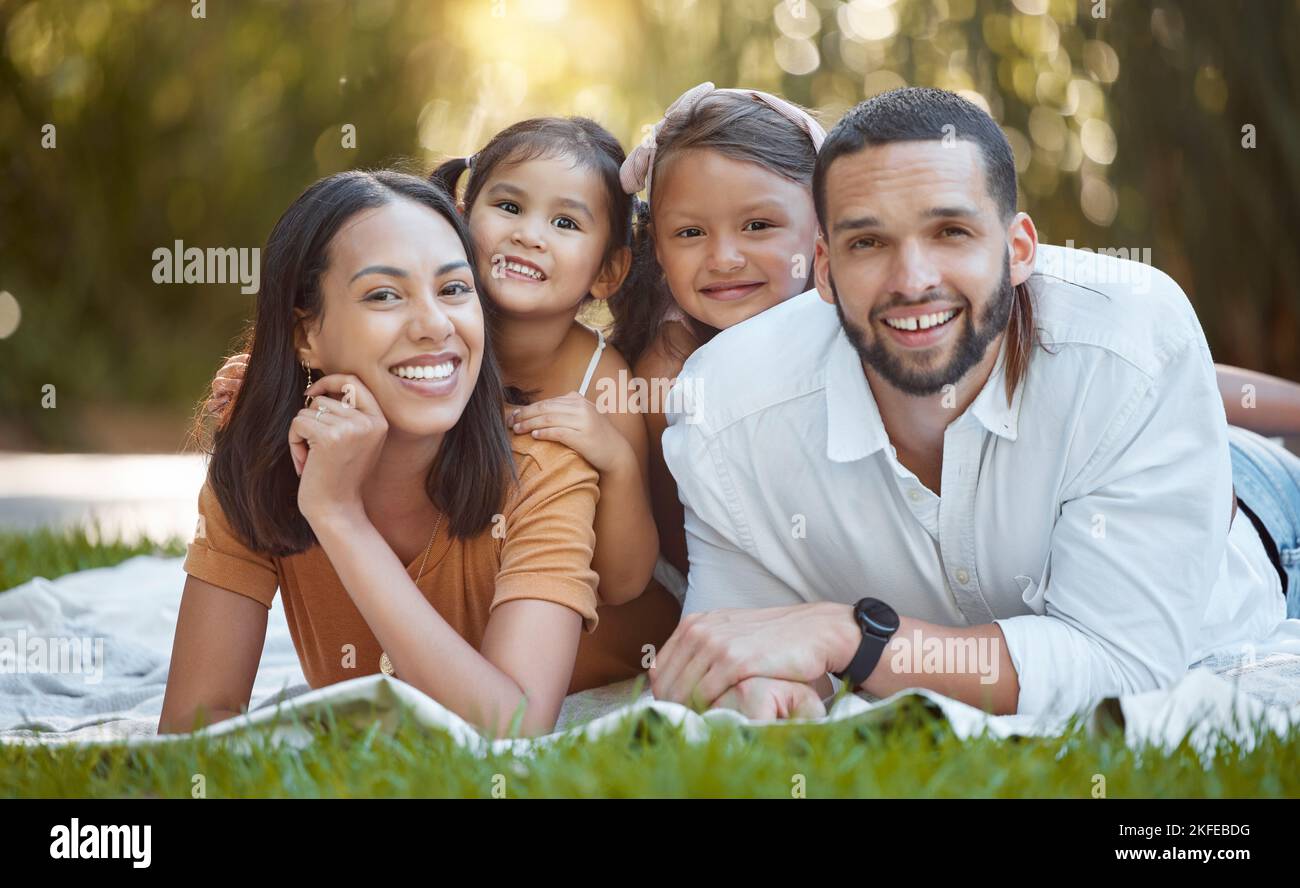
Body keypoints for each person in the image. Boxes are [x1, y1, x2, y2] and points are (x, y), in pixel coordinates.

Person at [651, 86, 1299, 722]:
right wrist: (764, 687)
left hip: (1261, 513)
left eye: (951, 231)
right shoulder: (726, 412)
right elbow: (738, 650)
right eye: (868, 243)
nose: (913, 280)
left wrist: (853, 636)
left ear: (1019, 250)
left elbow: (1118, 664)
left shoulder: (1128, 334)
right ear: (823, 267)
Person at [161, 170, 603, 738]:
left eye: (453, 289)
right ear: (306, 335)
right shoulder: (257, 470)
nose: (434, 326)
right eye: (384, 295)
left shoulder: (543, 470)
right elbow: (191, 729)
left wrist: (340, 516)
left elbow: (511, 730)